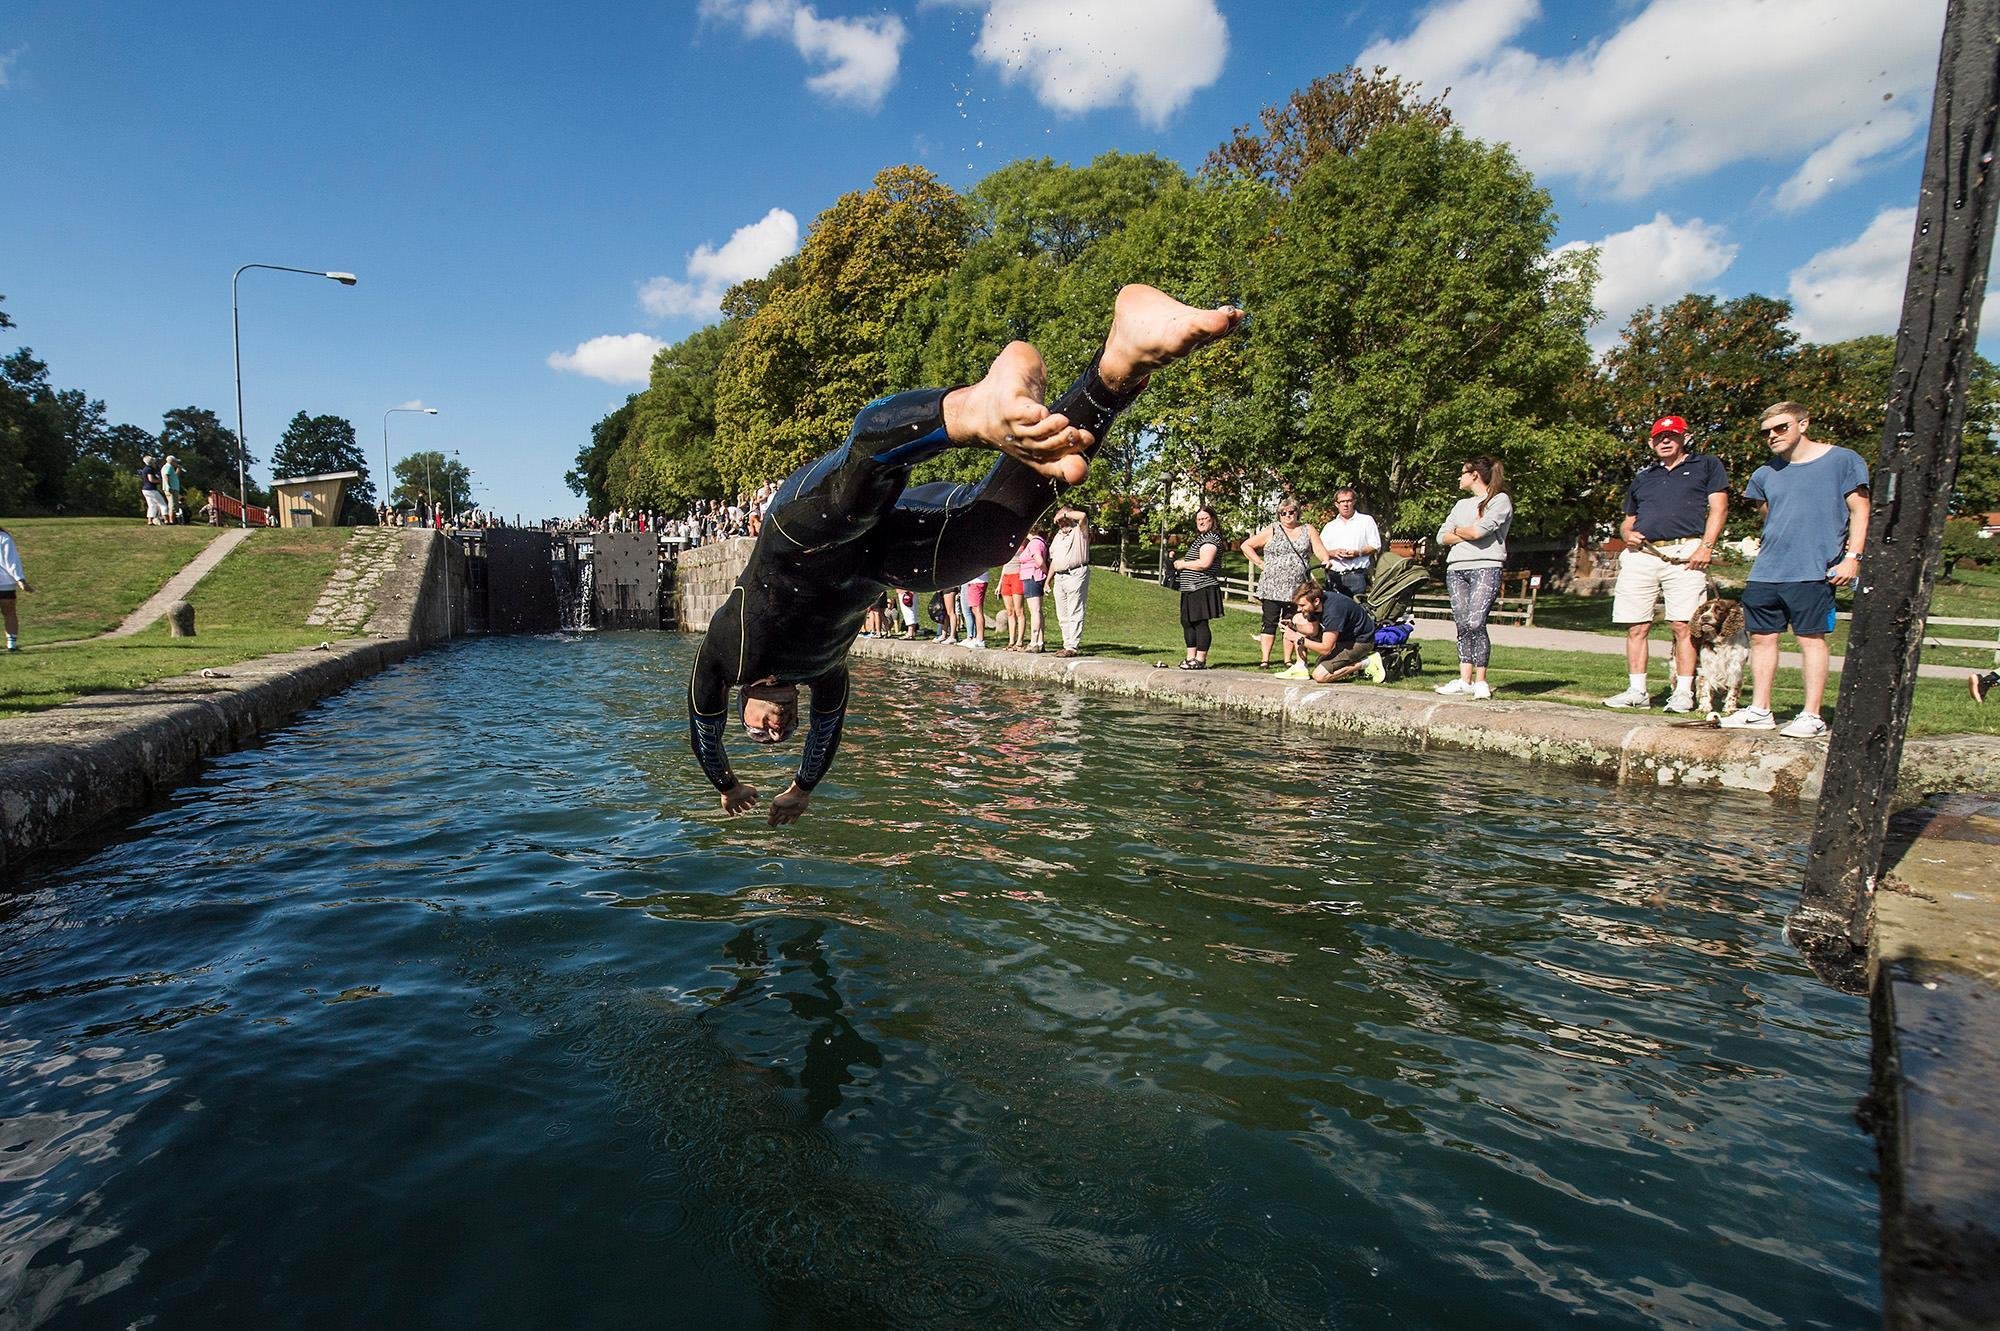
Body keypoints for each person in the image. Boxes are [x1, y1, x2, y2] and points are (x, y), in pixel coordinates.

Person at [687, 284, 1244, 824]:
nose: (772, 731)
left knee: (853, 497)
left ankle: (973, 408)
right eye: (780, 734)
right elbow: (825, 734)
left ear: (740, 706)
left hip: (802, 531)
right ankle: (1120, 365)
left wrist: (728, 783)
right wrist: (802, 790)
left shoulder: (727, 657)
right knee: (987, 542)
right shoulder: (825, 673)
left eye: (757, 730)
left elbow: (702, 729)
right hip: (881, 556)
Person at [1720, 401, 1870, 738]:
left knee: (1810, 638)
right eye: (1766, 432)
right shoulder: (1764, 474)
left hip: (1814, 569)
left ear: (1803, 424)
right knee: (1761, 638)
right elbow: (1771, 515)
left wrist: (1853, 557)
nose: (1772, 436)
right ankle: (1759, 710)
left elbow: (1860, 511)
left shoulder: (1843, 461)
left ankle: (1812, 714)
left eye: (1780, 428)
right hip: (1766, 570)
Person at [1603, 416, 1730, 713]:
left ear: (1684, 437)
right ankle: (1637, 690)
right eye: (1659, 437)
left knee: (1683, 624)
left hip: (1686, 551)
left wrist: (1706, 546)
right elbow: (1628, 520)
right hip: (1643, 554)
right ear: (1651, 442)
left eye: (1671, 436)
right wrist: (1626, 534)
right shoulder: (1644, 475)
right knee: (1636, 624)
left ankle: (1684, 692)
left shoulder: (1706, 465)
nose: (1665, 441)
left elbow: (1719, 508)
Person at [1433, 456, 1513, 700]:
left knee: (1476, 621)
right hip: (1456, 569)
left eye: (1462, 473)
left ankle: (1481, 680)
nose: (1459, 478)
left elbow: (1480, 532)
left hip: (1486, 567)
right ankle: (1464, 679)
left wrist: (1459, 531)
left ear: (1474, 475)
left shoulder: (1499, 501)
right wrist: (1463, 532)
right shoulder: (1460, 505)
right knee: (1462, 624)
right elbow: (1441, 537)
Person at [1241, 499, 1328, 670]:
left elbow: (1319, 548)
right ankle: (1265, 659)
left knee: (1293, 621)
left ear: (1297, 512)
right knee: (1269, 621)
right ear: (1279, 515)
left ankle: (1288, 659)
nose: (1288, 516)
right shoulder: (1272, 530)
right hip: (1272, 585)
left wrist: (1326, 560)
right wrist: (1260, 563)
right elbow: (1247, 546)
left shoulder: (1307, 529)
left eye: (1291, 512)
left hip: (1297, 587)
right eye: (1283, 513)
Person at [1282, 580, 1385, 683]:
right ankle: (1300, 668)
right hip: (1343, 637)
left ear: (1316, 601)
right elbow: (1312, 630)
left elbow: (1326, 649)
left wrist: (1297, 638)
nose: (1299, 609)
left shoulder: (1333, 611)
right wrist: (1293, 626)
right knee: (1298, 619)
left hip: (1361, 641)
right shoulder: (1315, 606)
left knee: (1320, 676)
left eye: (1302, 605)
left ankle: (1368, 662)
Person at [1171, 506, 1227, 669]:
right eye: (1199, 519)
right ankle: (1190, 658)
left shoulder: (1211, 539)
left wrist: (1183, 564)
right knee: (1187, 621)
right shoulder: (1202, 538)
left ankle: (1200, 659)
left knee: (1199, 622)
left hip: (1202, 586)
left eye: (1205, 518)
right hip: (1190, 587)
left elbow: (1205, 563)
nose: (1201, 521)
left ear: (1212, 520)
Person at [1317, 488, 1382, 599]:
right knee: (1335, 613)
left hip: (1356, 577)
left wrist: (1358, 553)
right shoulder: (1329, 526)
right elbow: (1319, 550)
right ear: (1336, 504)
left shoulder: (1366, 521)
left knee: (1356, 613)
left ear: (1354, 502)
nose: (1345, 505)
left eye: (1348, 501)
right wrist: (1333, 553)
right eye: (1342, 501)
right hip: (1334, 577)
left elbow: (1375, 546)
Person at [1049, 504, 1090, 657]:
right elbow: (1054, 560)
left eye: (1064, 519)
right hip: (1060, 576)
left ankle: (1072, 646)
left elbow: (1083, 516)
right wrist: (1048, 580)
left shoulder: (1080, 531)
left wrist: (1065, 515)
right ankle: (1066, 644)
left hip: (1076, 573)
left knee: (1075, 610)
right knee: (1062, 614)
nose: (1062, 523)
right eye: (1059, 521)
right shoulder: (1058, 537)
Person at [1019, 525, 1049, 652]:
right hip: (1034, 577)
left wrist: (1046, 573)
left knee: (1034, 610)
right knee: (1038, 610)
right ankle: (1040, 641)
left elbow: (1040, 561)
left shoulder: (1035, 543)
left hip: (1032, 577)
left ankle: (1034, 641)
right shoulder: (1039, 542)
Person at [0, 524, 29, 651]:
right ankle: (11, 643)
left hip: (5, 584)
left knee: (9, 612)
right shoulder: (4, 537)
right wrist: (20, 579)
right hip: (6, 584)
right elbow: (11, 561)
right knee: (9, 613)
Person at [998, 544, 1027, 648]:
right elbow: (1005, 564)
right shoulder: (1008, 542)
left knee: (1019, 610)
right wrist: (1000, 583)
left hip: (1017, 575)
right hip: (1007, 576)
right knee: (1010, 611)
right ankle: (1011, 641)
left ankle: (1019, 641)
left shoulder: (1024, 541)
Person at [138, 455, 168, 526]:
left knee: (152, 505)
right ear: (151, 462)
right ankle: (166, 520)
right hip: (151, 489)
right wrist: (161, 481)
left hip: (145, 489)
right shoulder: (149, 469)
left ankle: (150, 521)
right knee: (162, 504)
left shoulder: (145, 469)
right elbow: (151, 479)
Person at [161, 454, 187, 523]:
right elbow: (166, 476)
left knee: (175, 505)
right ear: (172, 461)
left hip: (174, 489)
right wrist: (168, 486)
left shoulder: (171, 468)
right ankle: (171, 521)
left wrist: (179, 468)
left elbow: (175, 476)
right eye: (175, 462)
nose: (176, 463)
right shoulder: (168, 467)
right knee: (172, 505)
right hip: (171, 489)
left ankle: (173, 520)